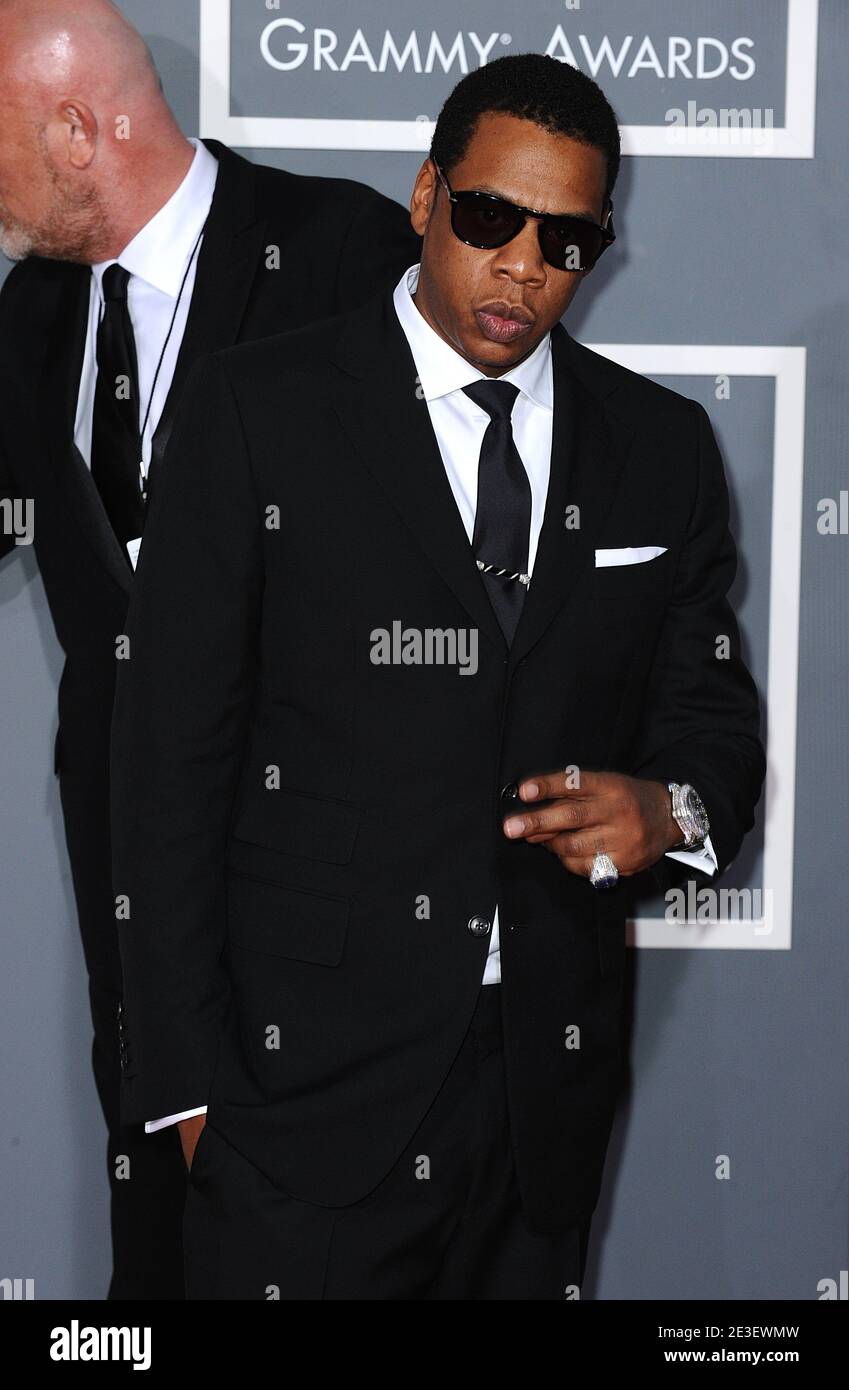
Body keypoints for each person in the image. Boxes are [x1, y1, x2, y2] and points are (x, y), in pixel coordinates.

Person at [111, 53, 765, 1300]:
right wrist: (193, 1096)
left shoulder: (661, 451)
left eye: (568, 239)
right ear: (424, 198)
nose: (525, 262)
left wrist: (664, 809)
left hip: (535, 1112)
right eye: (490, 217)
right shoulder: (261, 412)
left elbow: (714, 727)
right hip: (295, 1104)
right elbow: (165, 767)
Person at [0, 0, 419, 1300]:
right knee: (158, 1217)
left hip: (316, 874)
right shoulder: (28, 310)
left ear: (76, 131)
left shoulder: (342, 252)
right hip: (128, 862)